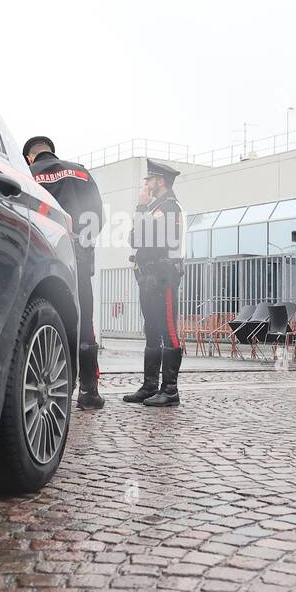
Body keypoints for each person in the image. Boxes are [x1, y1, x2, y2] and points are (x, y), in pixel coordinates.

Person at [22, 135, 106, 409]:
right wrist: (83, 243)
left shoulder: (28, 174)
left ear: (30, 157)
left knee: (42, 320)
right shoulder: (80, 171)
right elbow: (98, 216)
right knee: (84, 322)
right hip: (79, 259)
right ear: (52, 152)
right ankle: (89, 392)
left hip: (44, 258)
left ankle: (48, 389)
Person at [124, 159, 186, 407]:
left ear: (159, 181)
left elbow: (149, 238)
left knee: (169, 332)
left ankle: (170, 390)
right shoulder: (153, 207)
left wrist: (140, 208)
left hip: (164, 277)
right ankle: (150, 386)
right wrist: (142, 210)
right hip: (149, 277)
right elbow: (134, 238)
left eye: (149, 179)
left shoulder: (170, 207)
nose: (146, 184)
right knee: (151, 331)